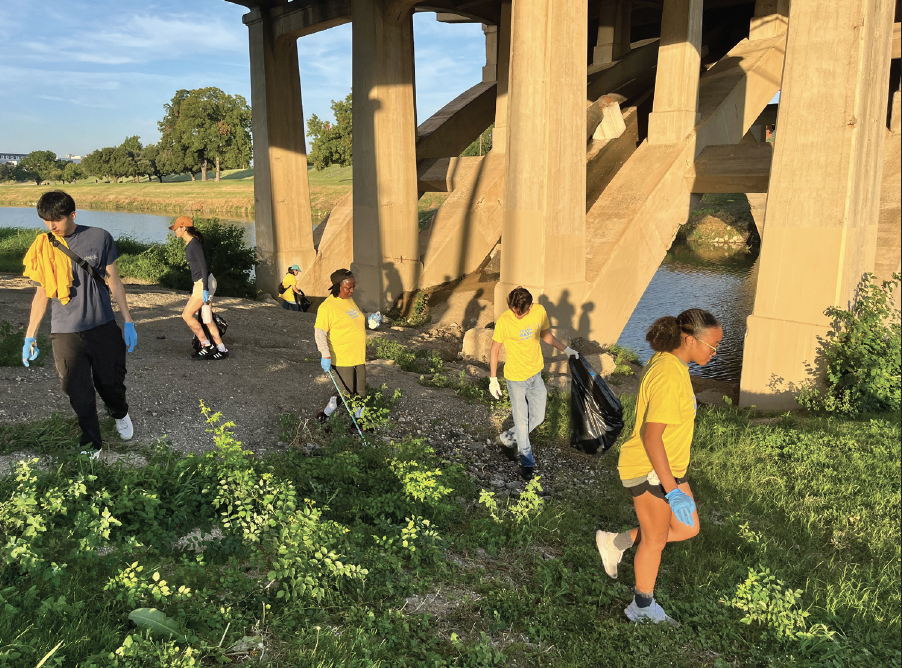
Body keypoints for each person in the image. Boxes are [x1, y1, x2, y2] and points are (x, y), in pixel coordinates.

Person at [595, 308, 722, 626]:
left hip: (669, 466)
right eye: (713, 346)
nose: (715, 352)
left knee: (688, 527)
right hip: (651, 467)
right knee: (655, 541)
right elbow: (652, 438)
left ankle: (615, 542)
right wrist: (671, 489)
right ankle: (641, 606)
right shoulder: (668, 373)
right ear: (690, 340)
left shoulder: (674, 365)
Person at [21, 190, 138, 459]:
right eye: (46, 220)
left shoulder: (100, 237)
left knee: (110, 383)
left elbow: (114, 281)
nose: (51, 226)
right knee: (76, 389)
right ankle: (92, 442)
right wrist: (31, 335)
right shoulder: (45, 245)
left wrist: (128, 320)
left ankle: (119, 412)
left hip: (102, 325)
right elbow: (42, 293)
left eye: (56, 220)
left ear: (73, 215)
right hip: (65, 330)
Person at [489, 287, 579, 480]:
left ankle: (505, 439)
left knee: (537, 417)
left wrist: (567, 350)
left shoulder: (539, 311)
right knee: (522, 422)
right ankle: (527, 463)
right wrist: (493, 378)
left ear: (530, 307)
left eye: (520, 312)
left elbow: (545, 334)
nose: (516, 315)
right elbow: (495, 348)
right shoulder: (505, 320)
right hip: (516, 379)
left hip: (535, 376)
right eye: (514, 310)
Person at [313, 268, 382, 428]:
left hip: (357, 356)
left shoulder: (349, 300)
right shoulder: (327, 307)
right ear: (338, 286)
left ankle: (359, 421)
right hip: (341, 357)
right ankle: (324, 415)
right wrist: (325, 355)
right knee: (346, 392)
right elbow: (319, 333)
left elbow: (355, 320)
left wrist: (370, 321)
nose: (352, 290)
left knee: (360, 391)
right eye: (348, 287)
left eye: (353, 287)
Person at [169, 216, 228, 360]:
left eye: (176, 228)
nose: (175, 231)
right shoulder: (192, 243)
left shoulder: (194, 244)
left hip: (204, 283)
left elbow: (203, 265)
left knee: (187, 315)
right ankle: (221, 349)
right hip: (202, 283)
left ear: (183, 228)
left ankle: (206, 345)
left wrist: (205, 289)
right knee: (207, 319)